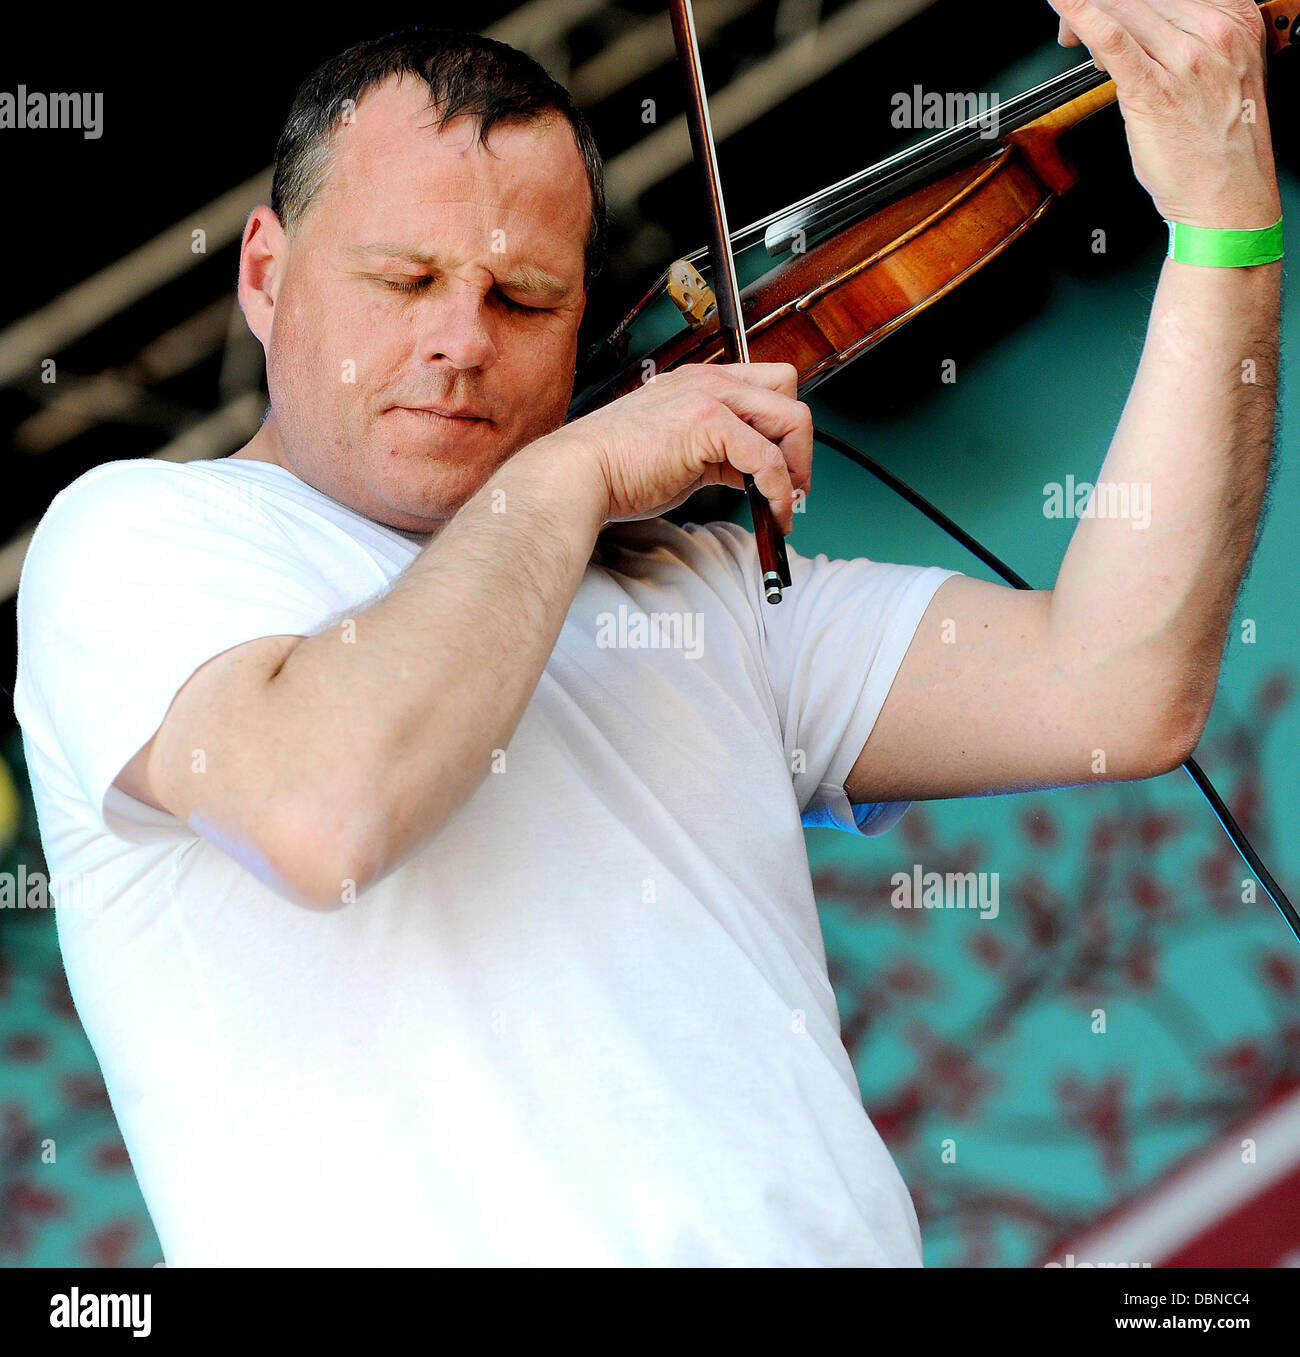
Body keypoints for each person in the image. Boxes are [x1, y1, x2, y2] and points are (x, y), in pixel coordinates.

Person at [12, 6, 1282, 1266]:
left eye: (522, 296)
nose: (459, 339)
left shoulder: (692, 588)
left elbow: (1115, 685)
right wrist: (567, 478)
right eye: (403, 280)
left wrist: (1224, 225)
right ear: (264, 276)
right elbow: (324, 808)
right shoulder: (140, 538)